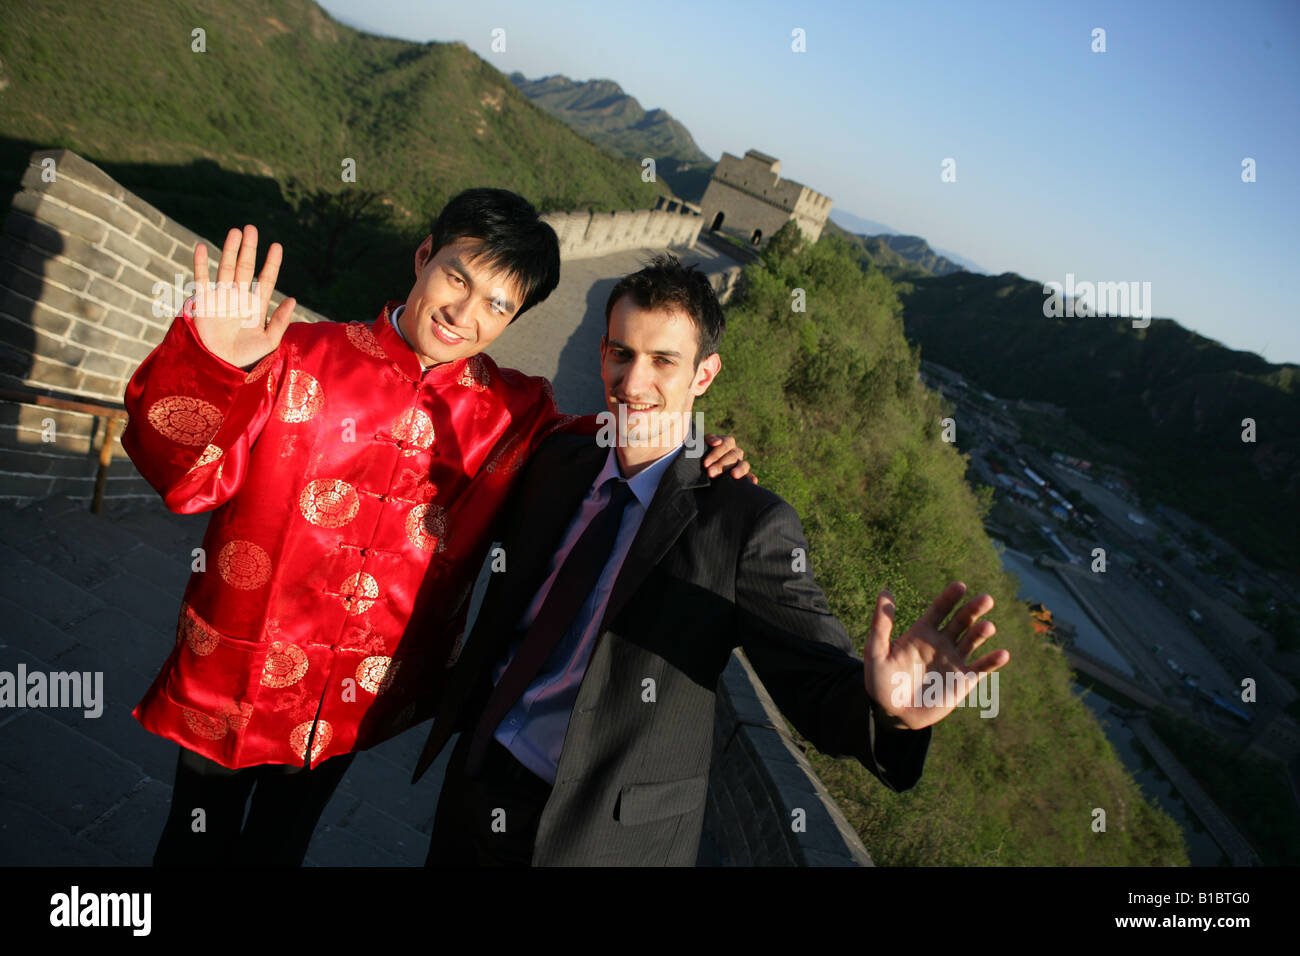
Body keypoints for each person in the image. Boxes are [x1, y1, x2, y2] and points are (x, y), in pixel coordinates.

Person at [121, 190, 750, 866]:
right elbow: (184, 477)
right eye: (457, 277)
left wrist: (696, 449)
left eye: (497, 304)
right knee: (193, 844)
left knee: (280, 847)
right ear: (424, 257)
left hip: (351, 699)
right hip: (236, 671)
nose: (464, 313)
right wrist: (212, 366)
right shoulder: (297, 356)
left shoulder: (513, 412)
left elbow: (612, 449)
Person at [415, 254, 1010, 866]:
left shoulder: (743, 524)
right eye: (621, 353)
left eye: (663, 361)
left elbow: (812, 677)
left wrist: (890, 715)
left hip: (603, 837)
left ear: (704, 375)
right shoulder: (559, 464)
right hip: (478, 785)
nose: (633, 382)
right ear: (601, 354)